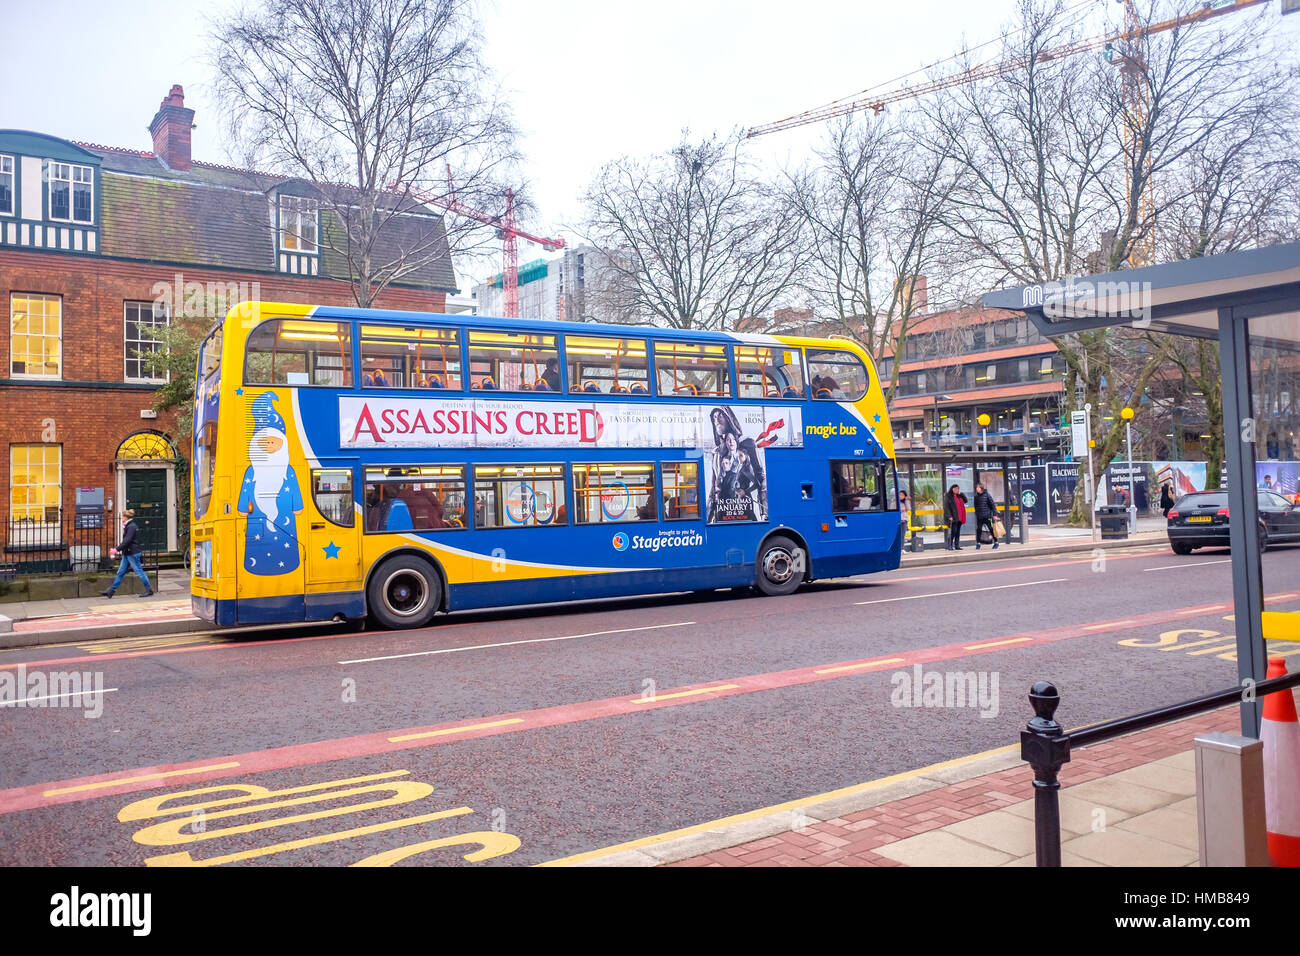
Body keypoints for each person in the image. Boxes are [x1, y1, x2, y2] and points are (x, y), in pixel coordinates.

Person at [102, 509, 152, 598]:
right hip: (127, 553)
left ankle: (149, 590)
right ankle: (111, 591)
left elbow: (127, 541)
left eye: (122, 516)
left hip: (132, 553)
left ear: (126, 517)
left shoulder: (131, 527)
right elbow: (126, 541)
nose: (121, 518)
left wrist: (116, 550)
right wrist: (118, 549)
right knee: (120, 572)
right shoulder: (129, 526)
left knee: (139, 571)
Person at [972, 482, 998, 550]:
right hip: (980, 517)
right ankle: (978, 543)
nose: (977, 489)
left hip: (987, 516)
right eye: (976, 488)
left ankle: (996, 542)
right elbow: (976, 506)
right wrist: (977, 514)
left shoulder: (987, 495)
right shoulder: (976, 496)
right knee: (979, 530)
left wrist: (994, 514)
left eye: (978, 487)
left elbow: (992, 505)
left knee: (991, 529)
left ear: (981, 488)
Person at [943, 484, 968, 550]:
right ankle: (950, 545)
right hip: (953, 517)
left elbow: (966, 500)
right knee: (953, 532)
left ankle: (957, 545)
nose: (957, 490)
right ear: (952, 489)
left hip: (960, 517)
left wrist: (961, 494)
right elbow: (946, 507)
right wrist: (949, 516)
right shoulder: (948, 496)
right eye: (955, 489)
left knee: (958, 532)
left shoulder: (959, 496)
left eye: (957, 489)